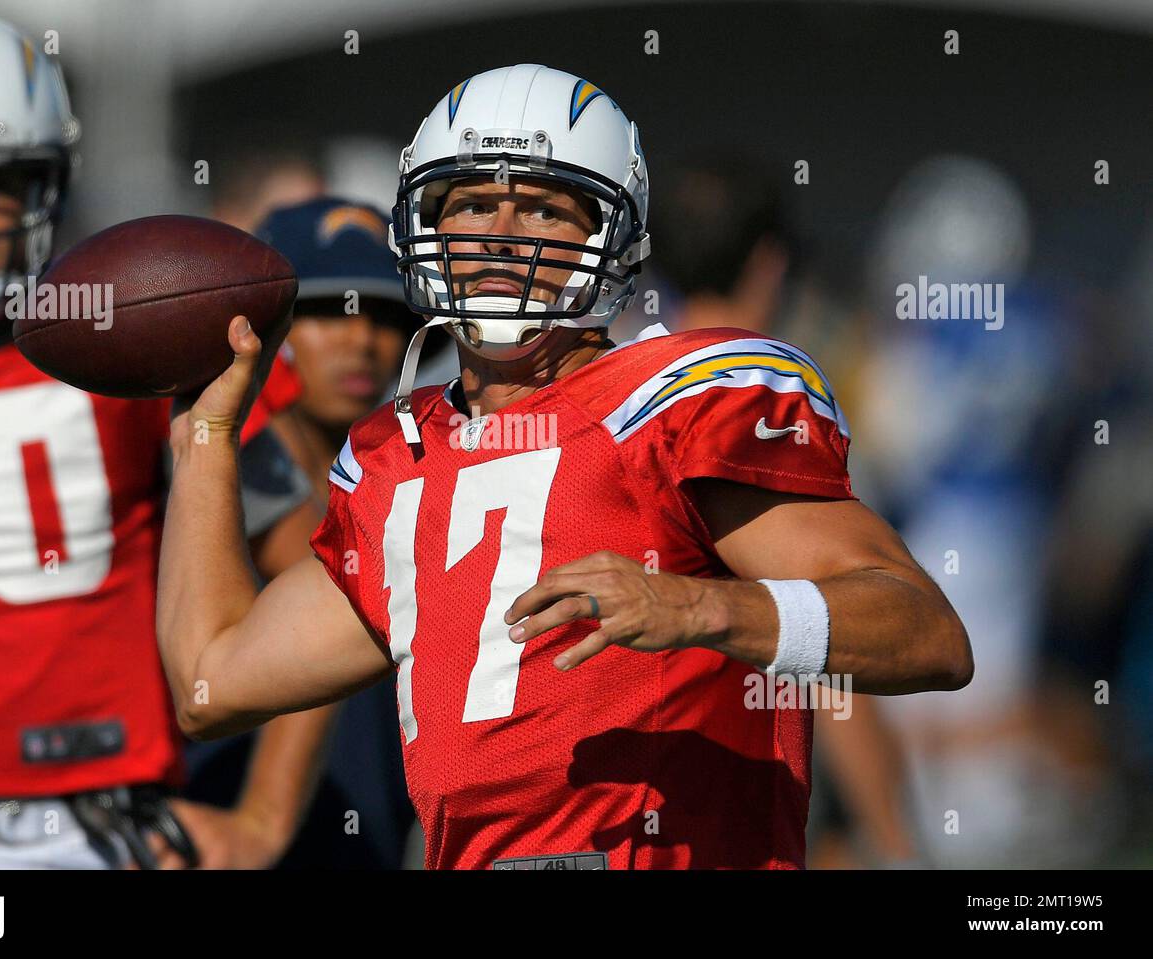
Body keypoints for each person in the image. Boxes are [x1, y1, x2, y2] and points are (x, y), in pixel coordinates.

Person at [158, 64, 972, 870]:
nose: (502, 236)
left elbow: (927, 632)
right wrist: (206, 436)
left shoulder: (676, 404)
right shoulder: (396, 459)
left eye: (544, 208)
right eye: (473, 203)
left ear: (610, 236)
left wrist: (699, 605)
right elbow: (212, 682)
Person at [0, 10, 307, 869]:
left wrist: (263, 817)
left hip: (92, 814)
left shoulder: (127, 328)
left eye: (2, 182)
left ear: (51, 185)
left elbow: (319, 565)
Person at [169, 198, 418, 870]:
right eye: (328, 311)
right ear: (265, 326)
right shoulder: (237, 460)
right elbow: (337, 598)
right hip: (225, 826)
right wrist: (263, 820)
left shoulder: (379, 471)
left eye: (388, 315)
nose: (362, 339)